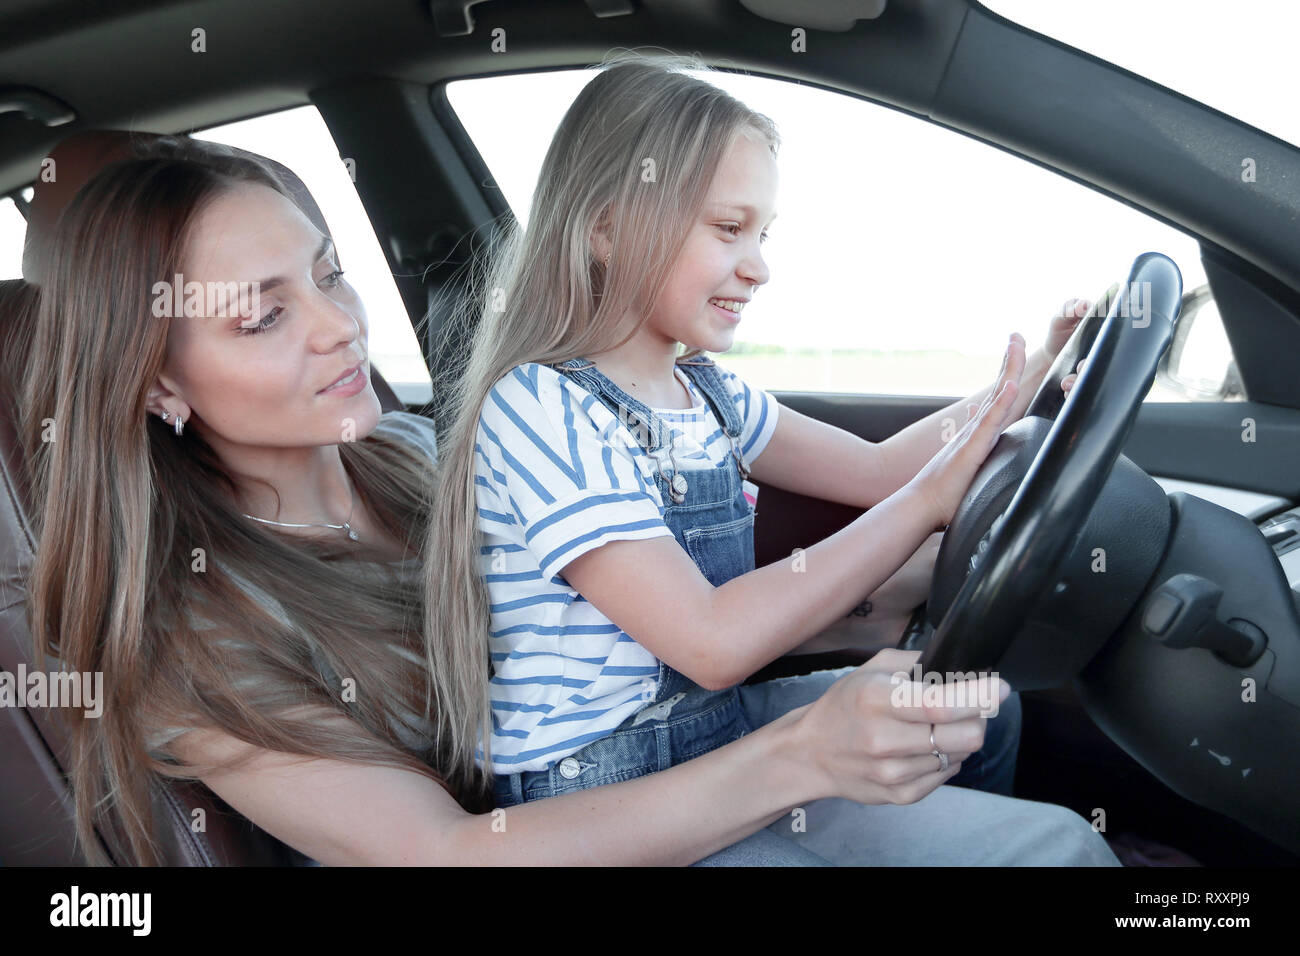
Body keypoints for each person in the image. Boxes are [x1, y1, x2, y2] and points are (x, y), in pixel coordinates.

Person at [425, 54, 1117, 864]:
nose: (759, 265)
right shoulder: (542, 407)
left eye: (763, 232)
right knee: (1061, 849)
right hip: (605, 795)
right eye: (728, 228)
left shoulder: (707, 391)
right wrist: (929, 503)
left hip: (716, 734)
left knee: (977, 710)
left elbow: (877, 472)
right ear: (607, 226)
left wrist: (1028, 380)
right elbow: (709, 642)